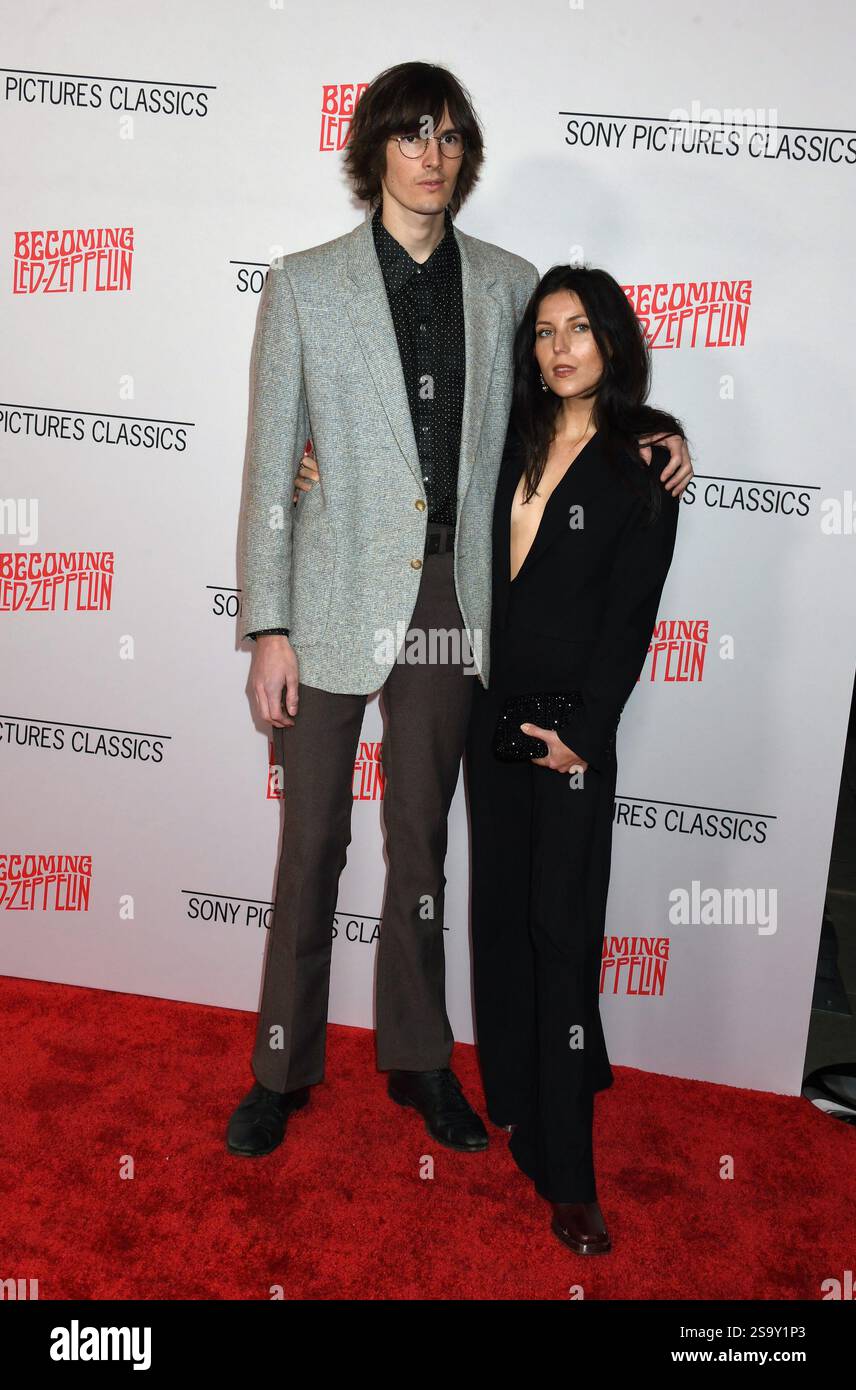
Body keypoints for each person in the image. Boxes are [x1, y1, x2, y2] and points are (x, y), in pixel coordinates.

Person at [229, 60, 693, 1162]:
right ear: (375, 150)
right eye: (411, 132)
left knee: (421, 843)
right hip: (333, 594)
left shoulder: (508, 282)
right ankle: (282, 1065)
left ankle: (420, 1058)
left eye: (448, 135)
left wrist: (657, 431)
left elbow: (569, 402)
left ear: (463, 155)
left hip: (454, 594)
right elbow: (265, 472)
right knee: (311, 846)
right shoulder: (302, 284)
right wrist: (268, 625)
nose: (431, 152)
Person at [464, 265, 684, 1254]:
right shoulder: (505, 439)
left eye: (579, 329)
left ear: (612, 343)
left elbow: (630, 618)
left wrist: (584, 736)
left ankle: (570, 1173)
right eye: (545, 331)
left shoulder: (641, 461)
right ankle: (516, 1097)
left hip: (567, 734)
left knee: (562, 933)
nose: (560, 347)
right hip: (488, 714)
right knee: (501, 917)